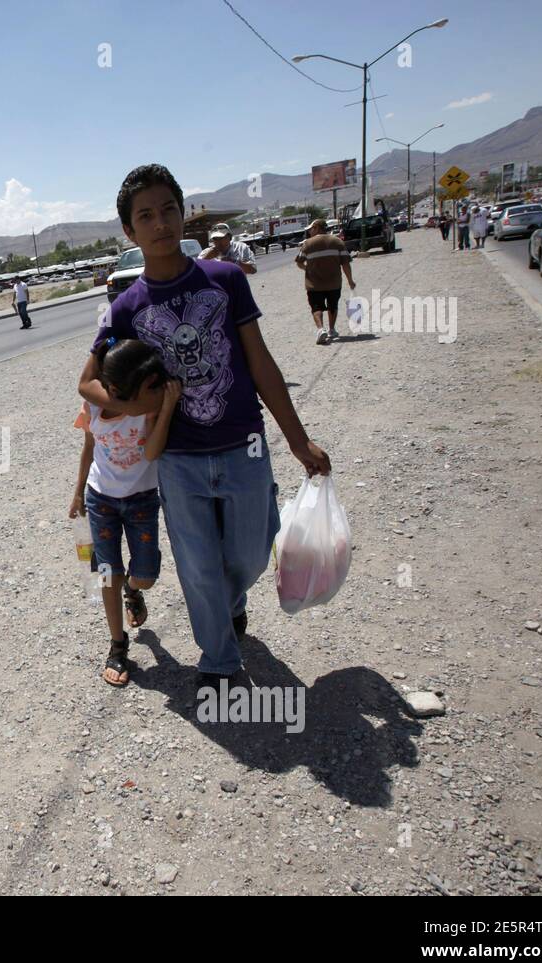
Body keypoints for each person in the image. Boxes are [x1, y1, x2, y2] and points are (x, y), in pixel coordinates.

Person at [78, 164, 331, 686]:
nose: (160, 223)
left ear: (183, 215)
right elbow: (88, 384)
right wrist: (136, 409)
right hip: (178, 458)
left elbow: (259, 361)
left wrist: (297, 438)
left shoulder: (226, 280)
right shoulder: (124, 309)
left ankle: (232, 601)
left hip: (245, 445)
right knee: (196, 567)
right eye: (145, 216)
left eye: (168, 209)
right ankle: (217, 660)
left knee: (250, 554)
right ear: (129, 231)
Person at [69, 340, 181, 686]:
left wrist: (165, 409)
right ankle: (118, 645)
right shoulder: (93, 405)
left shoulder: (148, 409)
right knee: (107, 574)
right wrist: (77, 492)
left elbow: (150, 455)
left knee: (145, 574)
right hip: (100, 499)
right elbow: (89, 447)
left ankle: (133, 591)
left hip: (141, 500)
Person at [295, 218, 355, 345]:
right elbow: (345, 264)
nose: (310, 232)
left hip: (314, 284)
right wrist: (350, 280)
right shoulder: (337, 242)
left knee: (316, 307)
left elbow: (299, 262)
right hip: (334, 282)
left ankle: (321, 329)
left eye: (311, 229)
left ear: (317, 228)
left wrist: (307, 269)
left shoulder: (308, 244)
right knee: (333, 305)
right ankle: (332, 330)